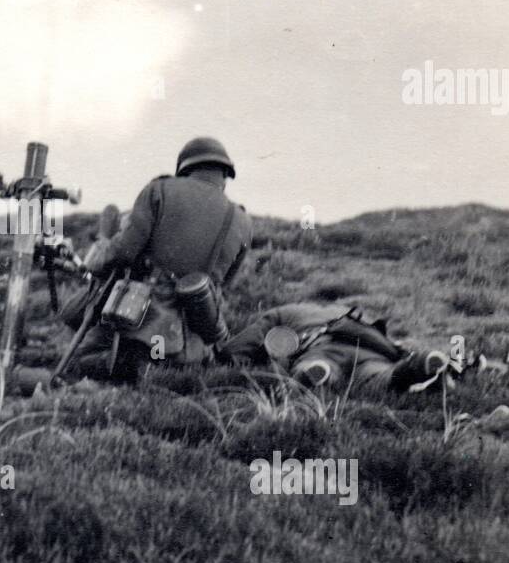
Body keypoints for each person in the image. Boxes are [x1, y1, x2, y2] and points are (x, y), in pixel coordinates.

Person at [72, 137, 254, 382]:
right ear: (224, 174)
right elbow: (227, 282)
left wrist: (96, 259)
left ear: (185, 169)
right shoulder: (242, 219)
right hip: (196, 344)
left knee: (85, 358)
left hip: (141, 332)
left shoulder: (160, 190)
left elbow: (124, 251)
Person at [218, 302, 449, 393]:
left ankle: (318, 371)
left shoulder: (283, 312)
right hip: (369, 349)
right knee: (381, 376)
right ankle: (417, 365)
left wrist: (249, 358)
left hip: (322, 346)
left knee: (320, 365)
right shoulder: (351, 313)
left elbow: (235, 349)